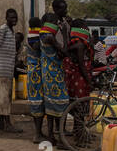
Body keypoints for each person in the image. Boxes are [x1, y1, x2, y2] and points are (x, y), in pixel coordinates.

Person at [37, 12, 69, 142]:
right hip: (54, 74)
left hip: (47, 73)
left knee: (50, 106)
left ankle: (51, 135)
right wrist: (65, 34)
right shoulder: (50, 36)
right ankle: (60, 138)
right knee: (61, 104)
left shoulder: (42, 35)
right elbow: (64, 52)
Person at [63, 18, 96, 143]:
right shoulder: (81, 44)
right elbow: (82, 65)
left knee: (76, 106)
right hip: (80, 79)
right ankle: (79, 137)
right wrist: (89, 80)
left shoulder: (73, 42)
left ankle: (78, 133)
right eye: (86, 27)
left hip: (73, 79)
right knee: (80, 108)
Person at [0, 8, 21, 132]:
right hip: (2, 68)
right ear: (6, 18)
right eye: (11, 17)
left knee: (5, 96)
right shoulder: (3, 30)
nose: (14, 20)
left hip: (7, 69)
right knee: (4, 97)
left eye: (15, 17)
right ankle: (7, 124)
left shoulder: (10, 31)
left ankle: (1, 123)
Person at [24, 18, 45, 141]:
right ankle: (37, 134)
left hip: (32, 73)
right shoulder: (36, 38)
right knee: (38, 102)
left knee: (35, 103)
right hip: (37, 73)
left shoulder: (29, 36)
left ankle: (39, 132)